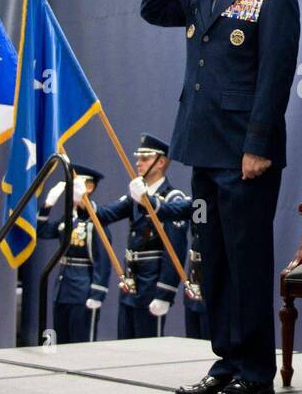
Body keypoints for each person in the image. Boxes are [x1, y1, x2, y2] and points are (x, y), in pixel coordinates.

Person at [141, 0, 300, 394]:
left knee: (247, 258)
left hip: (244, 151)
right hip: (204, 145)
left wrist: (258, 145)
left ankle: (255, 370)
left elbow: (274, 74)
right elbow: (156, 9)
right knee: (214, 258)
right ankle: (226, 358)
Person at [93, 133, 191, 339]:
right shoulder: (136, 197)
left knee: (148, 349)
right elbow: (102, 216)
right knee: (126, 345)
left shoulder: (173, 198)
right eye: (138, 158)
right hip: (131, 282)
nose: (138, 163)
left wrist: (165, 292)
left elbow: (175, 248)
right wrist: (84, 203)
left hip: (152, 285)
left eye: (145, 158)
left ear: (161, 162)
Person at [40, 164, 114, 344]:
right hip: (63, 289)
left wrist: (97, 294)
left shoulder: (95, 221)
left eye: (75, 184)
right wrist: (47, 206)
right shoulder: (68, 218)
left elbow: (102, 261)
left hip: (83, 291)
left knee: (80, 345)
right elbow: (41, 231)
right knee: (62, 341)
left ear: (89, 187)